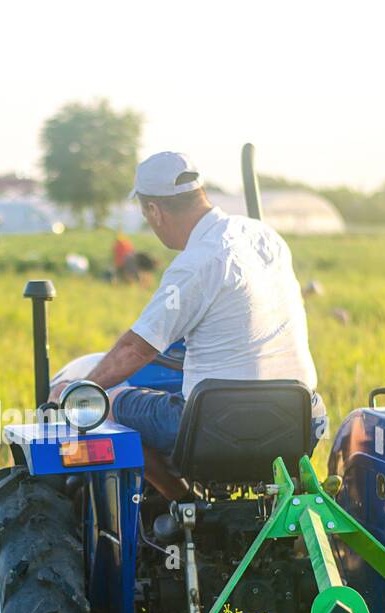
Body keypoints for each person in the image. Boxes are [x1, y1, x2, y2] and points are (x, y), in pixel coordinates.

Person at [49, 151, 326, 500]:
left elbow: (138, 348)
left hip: (214, 427)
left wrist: (78, 388)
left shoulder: (197, 262)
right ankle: (273, 503)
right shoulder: (264, 236)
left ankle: (181, 501)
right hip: (301, 417)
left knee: (110, 400)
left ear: (154, 210)